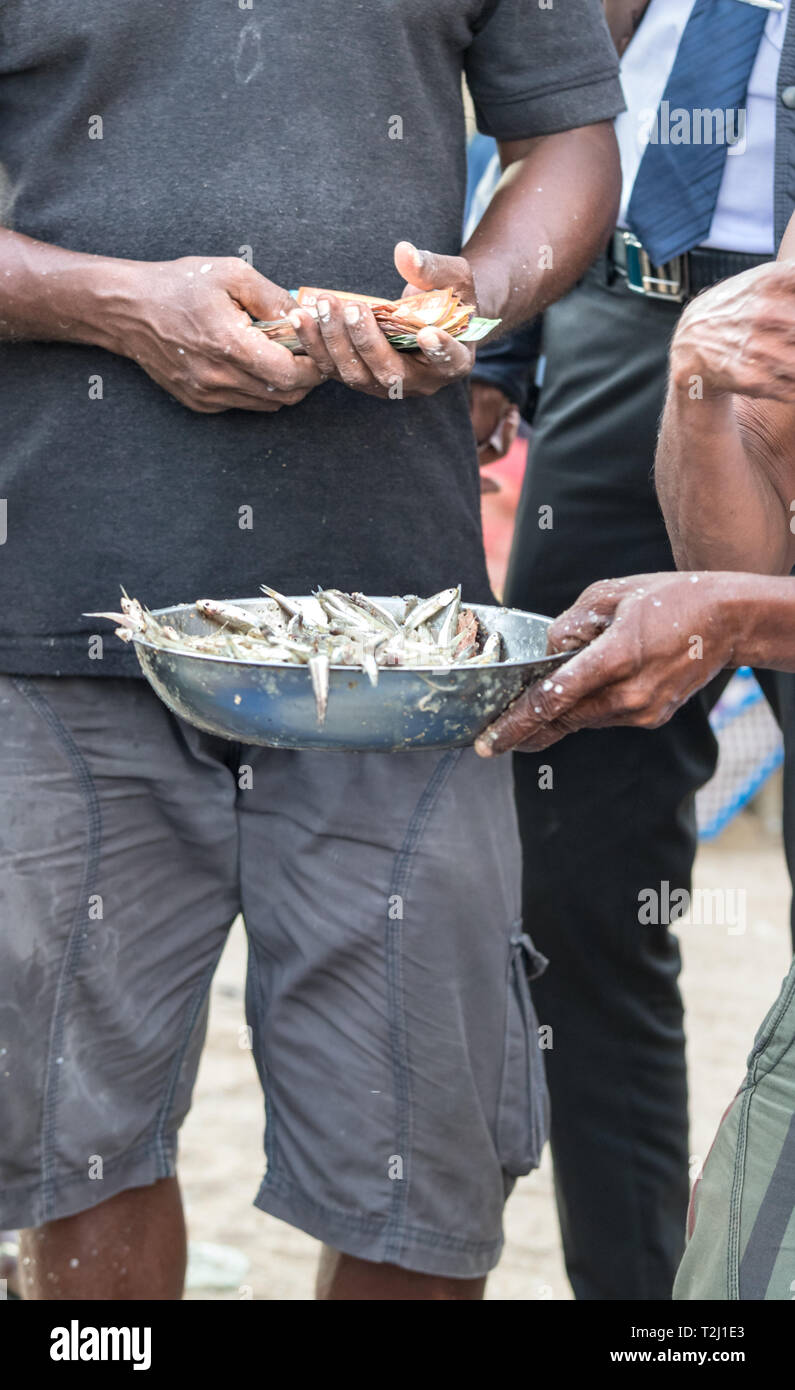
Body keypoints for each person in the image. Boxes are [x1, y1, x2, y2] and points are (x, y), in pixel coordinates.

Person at [0, 2, 624, 1301]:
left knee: (425, 1170)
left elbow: (566, 139)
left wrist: (481, 293)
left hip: (400, 648)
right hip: (58, 603)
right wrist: (113, 305)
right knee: (75, 1150)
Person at [468, 0, 795, 1299]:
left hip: (779, 325)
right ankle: (650, 1302)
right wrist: (504, 339)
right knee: (576, 873)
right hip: (625, 305)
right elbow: (546, 67)